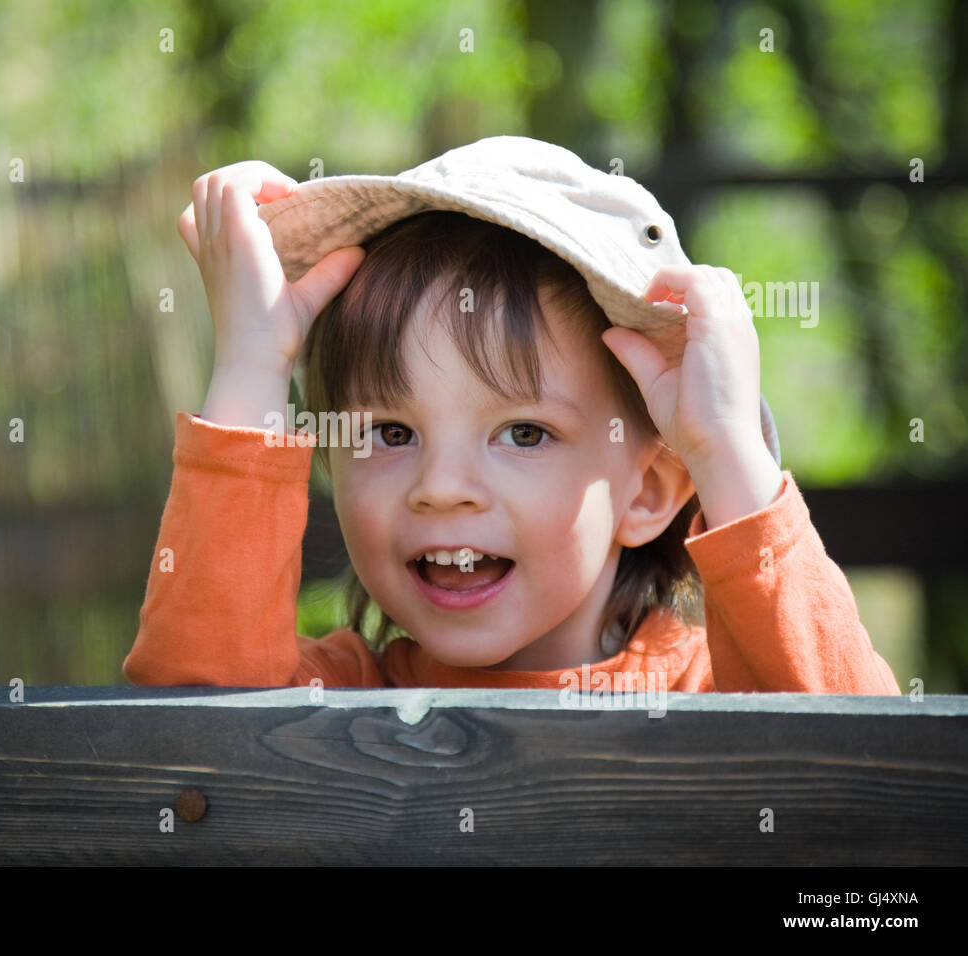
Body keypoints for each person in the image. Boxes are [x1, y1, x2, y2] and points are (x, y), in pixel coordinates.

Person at [123, 135, 899, 694]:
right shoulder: (329, 694)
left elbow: (869, 776)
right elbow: (192, 727)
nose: (443, 487)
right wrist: (252, 367)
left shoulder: (718, 693)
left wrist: (725, 453)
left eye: (524, 433)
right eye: (391, 433)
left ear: (649, 492)